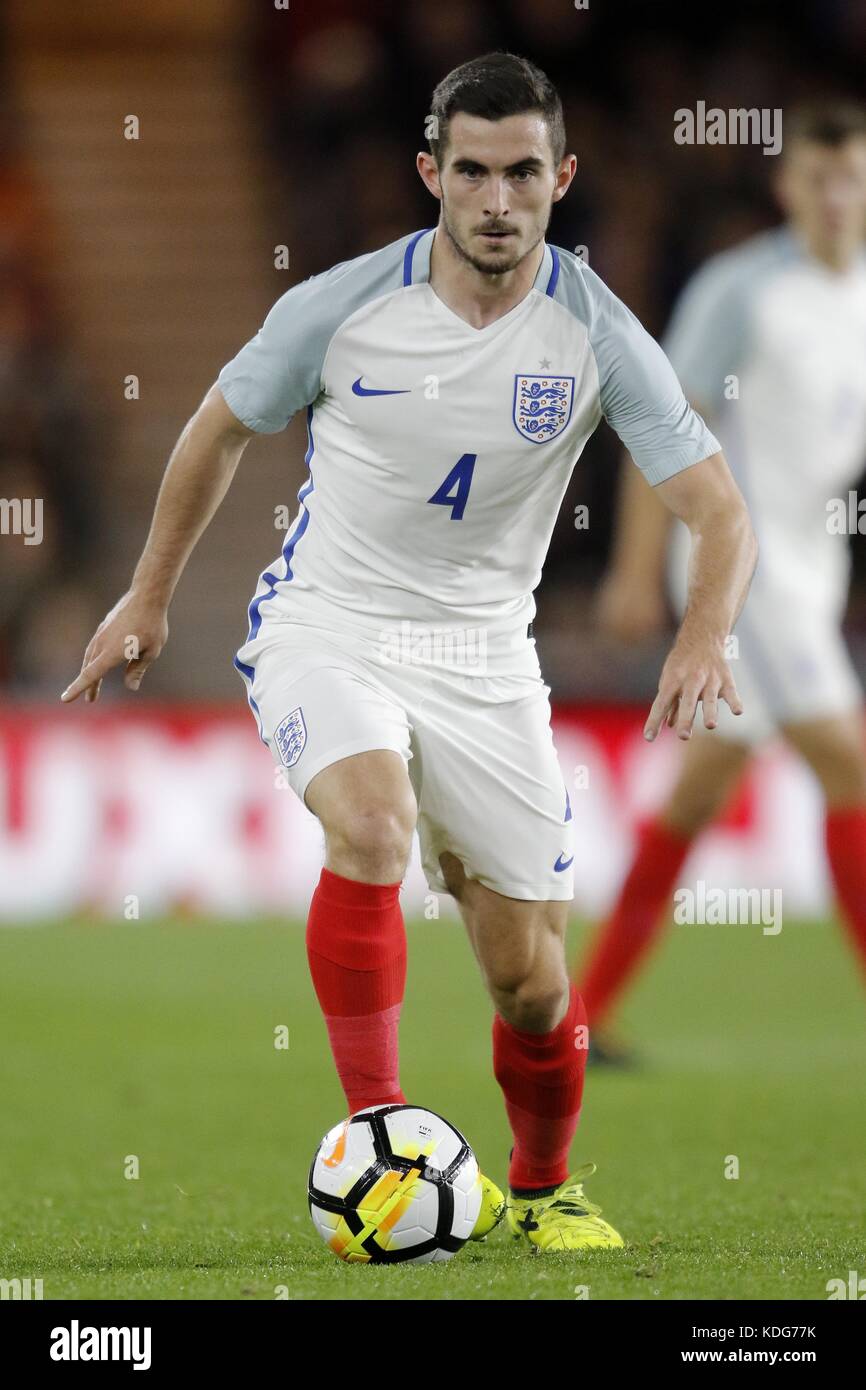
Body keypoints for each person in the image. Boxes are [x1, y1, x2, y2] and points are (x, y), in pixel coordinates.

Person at [62, 52, 755, 1252]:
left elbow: (717, 508)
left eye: (523, 173)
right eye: (472, 172)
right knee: (370, 825)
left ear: (561, 176)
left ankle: (541, 1189)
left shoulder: (592, 329)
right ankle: (380, 1136)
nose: (497, 200)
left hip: (486, 659)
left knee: (528, 983)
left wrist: (701, 634)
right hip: (328, 621)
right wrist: (148, 593)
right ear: (430, 172)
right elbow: (218, 427)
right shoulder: (339, 305)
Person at [578, 104, 866, 1056]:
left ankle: (581, 1014)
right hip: (742, 563)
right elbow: (662, 428)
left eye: (851, 177)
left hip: (813, 562)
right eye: (818, 179)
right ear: (787, 190)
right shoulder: (741, 292)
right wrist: (631, 571)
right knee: (851, 765)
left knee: (702, 788)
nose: (835, 198)